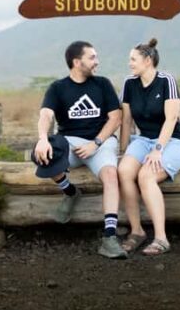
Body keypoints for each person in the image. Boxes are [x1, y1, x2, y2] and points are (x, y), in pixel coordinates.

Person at [32, 40, 126, 259]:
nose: (97, 62)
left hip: (100, 140)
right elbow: (46, 114)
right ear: (77, 62)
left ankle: (109, 237)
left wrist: (96, 143)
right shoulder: (58, 87)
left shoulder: (102, 84)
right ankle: (71, 193)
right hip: (70, 141)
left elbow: (116, 117)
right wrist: (43, 139)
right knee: (42, 157)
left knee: (111, 175)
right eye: (92, 57)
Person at [117, 38, 180, 256]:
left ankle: (161, 238)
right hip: (143, 140)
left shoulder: (166, 80)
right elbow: (127, 121)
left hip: (172, 141)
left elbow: (171, 119)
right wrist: (122, 150)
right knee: (124, 171)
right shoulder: (130, 83)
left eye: (133, 59)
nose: (129, 63)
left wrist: (158, 149)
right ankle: (137, 231)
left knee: (146, 176)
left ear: (148, 60)